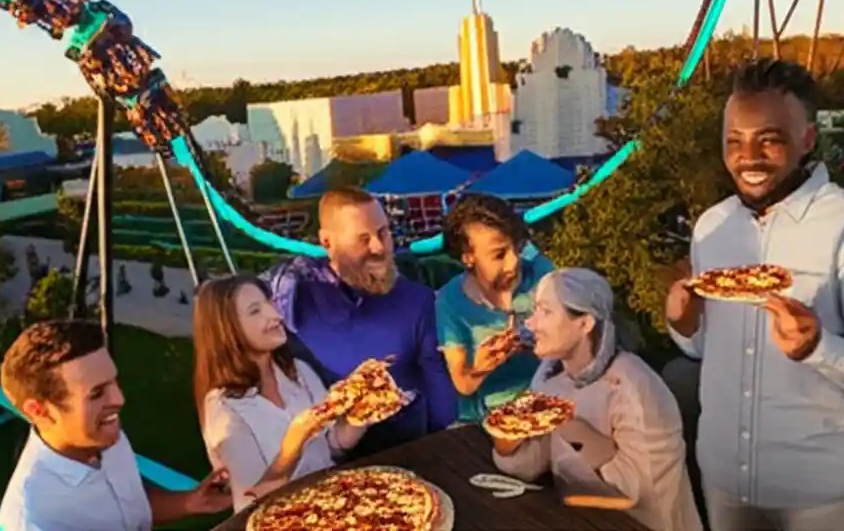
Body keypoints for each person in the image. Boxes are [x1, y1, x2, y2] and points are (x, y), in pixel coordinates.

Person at [665, 59, 844, 531]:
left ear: (807, 139)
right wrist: (683, 326)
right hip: (724, 479)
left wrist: (818, 348)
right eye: (735, 141)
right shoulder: (711, 227)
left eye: (769, 139)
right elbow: (706, 348)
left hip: (823, 494)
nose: (749, 157)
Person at [492, 268, 702, 531]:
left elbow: (638, 493)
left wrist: (567, 425)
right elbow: (534, 464)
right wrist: (507, 444)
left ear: (584, 324)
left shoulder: (635, 389)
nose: (531, 324)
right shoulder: (551, 376)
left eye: (545, 311)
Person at [262, 187, 456, 456]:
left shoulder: (416, 300)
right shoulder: (294, 297)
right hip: (321, 462)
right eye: (363, 238)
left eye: (383, 232)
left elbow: (438, 390)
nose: (378, 247)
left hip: (407, 455)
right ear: (327, 243)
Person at [0, 319, 232, 531]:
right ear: (40, 411)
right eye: (97, 393)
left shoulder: (100, 434)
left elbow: (126, 508)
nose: (119, 400)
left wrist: (189, 502)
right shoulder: (34, 522)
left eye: (114, 382)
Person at [192, 275, 366, 511]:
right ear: (226, 330)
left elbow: (332, 444)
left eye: (269, 303)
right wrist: (294, 442)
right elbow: (250, 503)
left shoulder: (299, 372)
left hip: (338, 507)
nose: (276, 316)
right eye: (255, 311)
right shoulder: (225, 411)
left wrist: (365, 409)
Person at [436, 194, 555, 422]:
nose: (513, 262)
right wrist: (482, 365)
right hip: (487, 418)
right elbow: (463, 384)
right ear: (468, 257)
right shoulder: (450, 302)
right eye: (499, 255)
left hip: (546, 402)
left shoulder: (541, 274)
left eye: (517, 248)